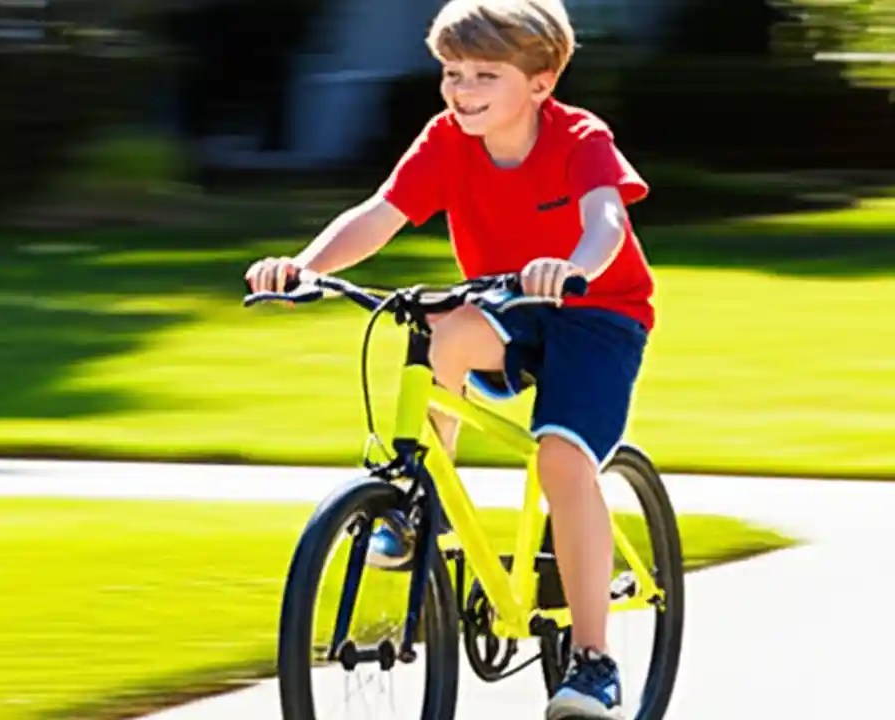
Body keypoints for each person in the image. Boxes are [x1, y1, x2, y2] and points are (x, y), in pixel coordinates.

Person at [243, 1, 654, 717]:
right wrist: (303, 267)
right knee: (441, 326)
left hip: (596, 316)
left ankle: (594, 661)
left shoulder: (580, 137)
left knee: (562, 458)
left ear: (541, 80)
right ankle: (417, 504)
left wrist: (572, 265)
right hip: (507, 308)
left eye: (483, 75)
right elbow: (379, 214)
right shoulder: (446, 141)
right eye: (451, 73)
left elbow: (607, 221)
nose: (462, 90)